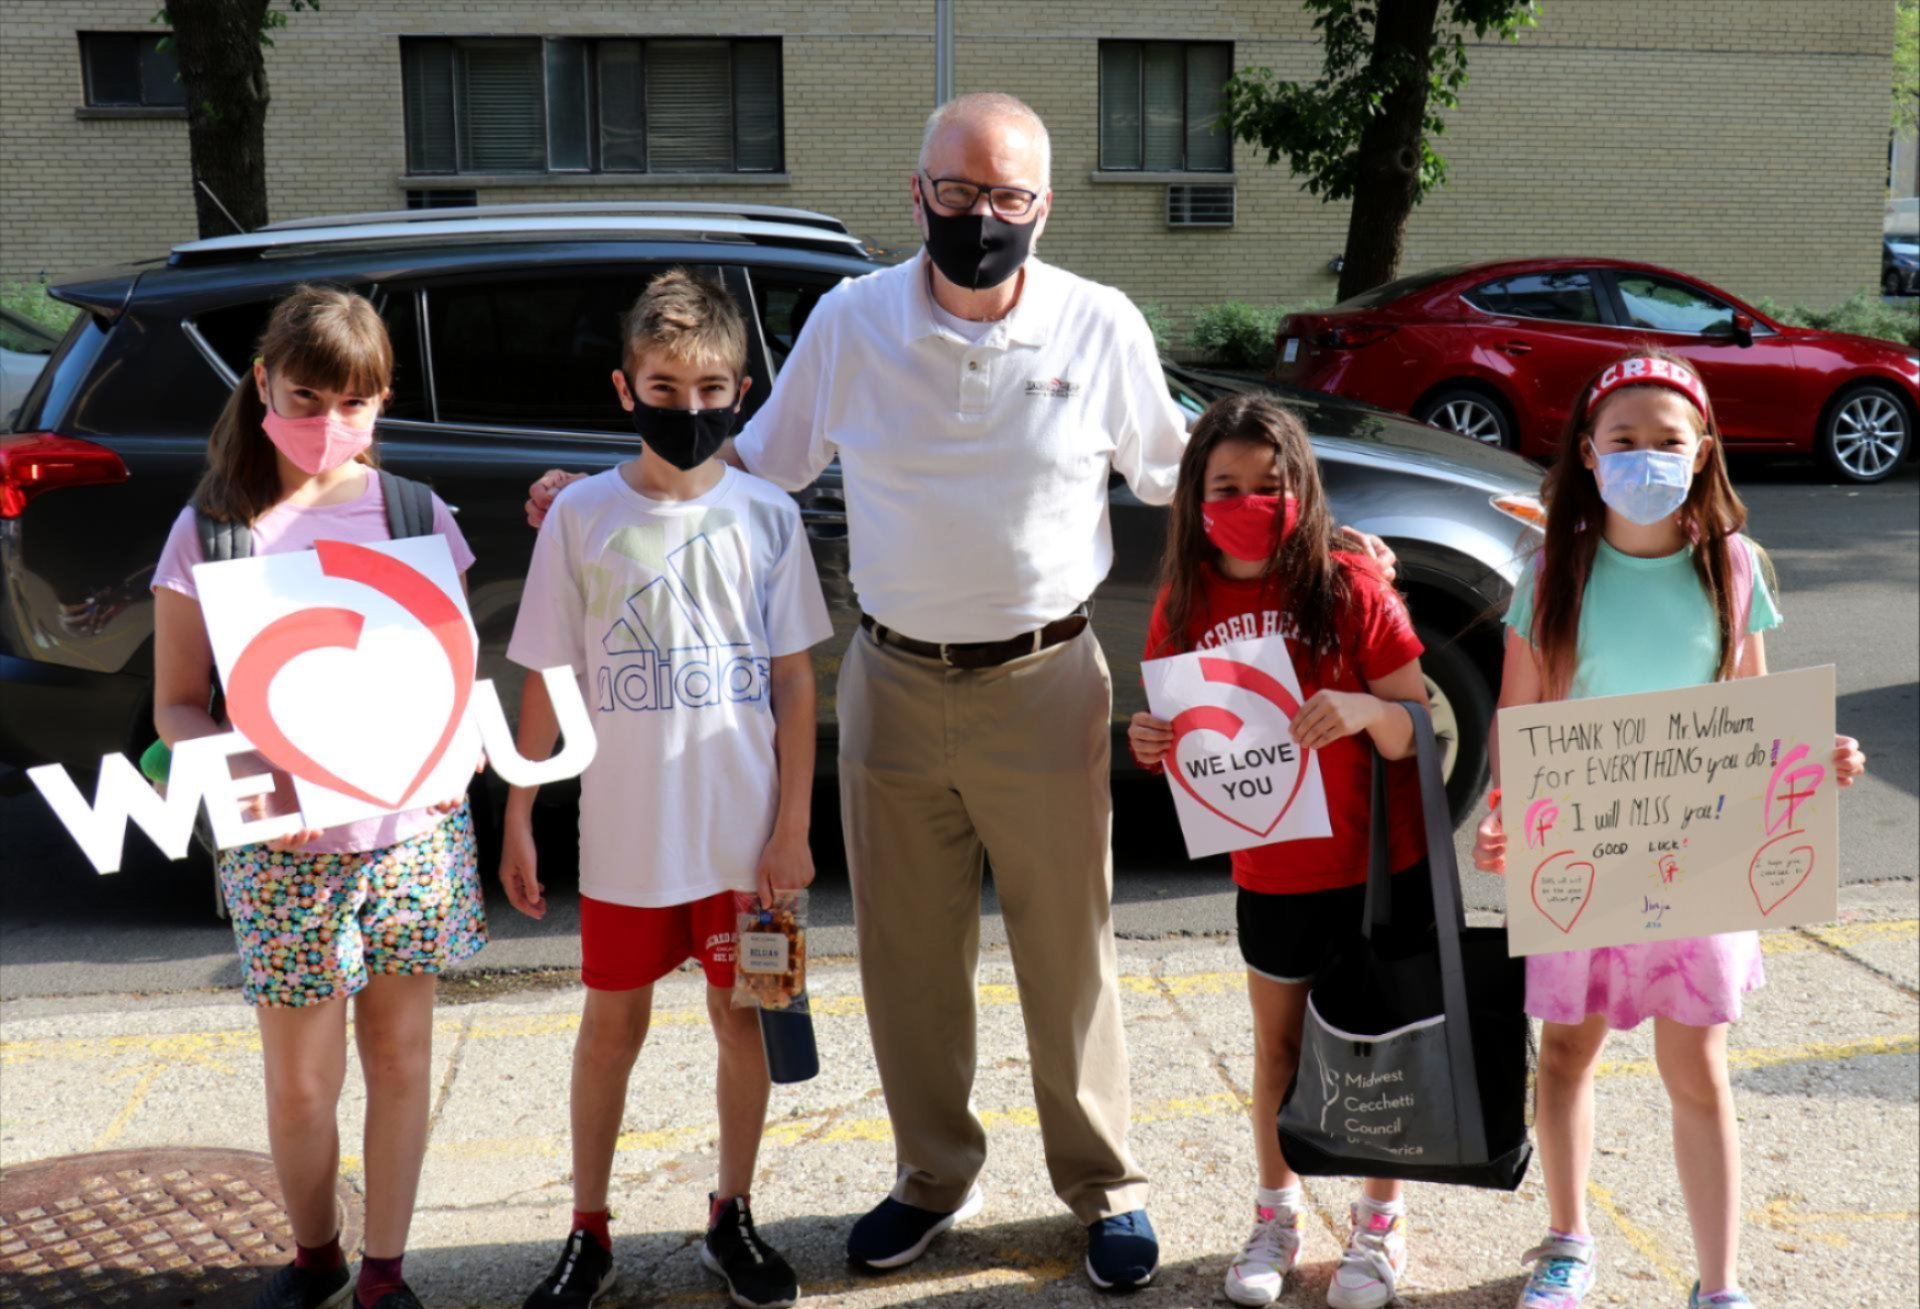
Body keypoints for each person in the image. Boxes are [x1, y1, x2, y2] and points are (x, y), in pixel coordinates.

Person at [526, 92, 1403, 1293]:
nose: (979, 216)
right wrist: (600, 484)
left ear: (1044, 205)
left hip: (1046, 680)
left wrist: (1334, 539)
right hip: (891, 677)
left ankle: (1104, 1184)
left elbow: (1189, 471)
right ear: (917, 192)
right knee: (908, 955)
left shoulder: (1099, 322)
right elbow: (753, 460)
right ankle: (933, 1174)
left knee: (1070, 947)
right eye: (956, 191)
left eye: (1006, 197)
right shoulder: (851, 320)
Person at [1472, 352, 1867, 1309]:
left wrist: (1820, 759)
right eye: (1624, 440)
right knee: (1565, 1051)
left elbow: (1754, 705)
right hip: (1584, 853)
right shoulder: (1552, 566)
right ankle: (1567, 1240)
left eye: (1667, 441)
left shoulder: (1729, 563)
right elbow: (1520, 717)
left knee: (1696, 1061)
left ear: (1703, 454)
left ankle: (1719, 1282)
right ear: (1587, 450)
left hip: (1707, 846)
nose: (1644, 456)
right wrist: (1502, 818)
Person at [501, 269, 832, 1309]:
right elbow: (547, 674)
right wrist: (516, 810)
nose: (688, 407)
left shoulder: (768, 515)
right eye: (664, 384)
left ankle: (731, 1214)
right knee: (612, 1026)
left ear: (739, 391)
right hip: (627, 836)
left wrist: (793, 829)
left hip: (743, 839)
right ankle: (588, 1227)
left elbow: (793, 681)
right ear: (624, 386)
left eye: (711, 387)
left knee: (745, 1021)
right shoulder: (580, 515)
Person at [150, 286, 487, 1309]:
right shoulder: (214, 530)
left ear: (383, 401)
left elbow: (455, 674)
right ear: (261, 384)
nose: (329, 425)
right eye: (306, 396)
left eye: (356, 403)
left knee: (399, 1053)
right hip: (282, 849)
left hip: (410, 837)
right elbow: (174, 707)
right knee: (301, 1082)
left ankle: (385, 1267)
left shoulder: (414, 512)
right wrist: (257, 783)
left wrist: (464, 735)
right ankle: (317, 1253)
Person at [1126, 394, 1432, 1309]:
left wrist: (1370, 711)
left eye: (1271, 482)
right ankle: (1277, 1212)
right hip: (1271, 868)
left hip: (1379, 863)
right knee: (1278, 1052)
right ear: (1196, 493)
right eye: (1227, 483)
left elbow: (1418, 723)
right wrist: (1150, 740)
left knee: (1379, 1051)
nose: (1250, 497)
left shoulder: (1350, 585)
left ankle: (1380, 1221)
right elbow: (1174, 724)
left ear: (1303, 486)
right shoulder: (1184, 597)